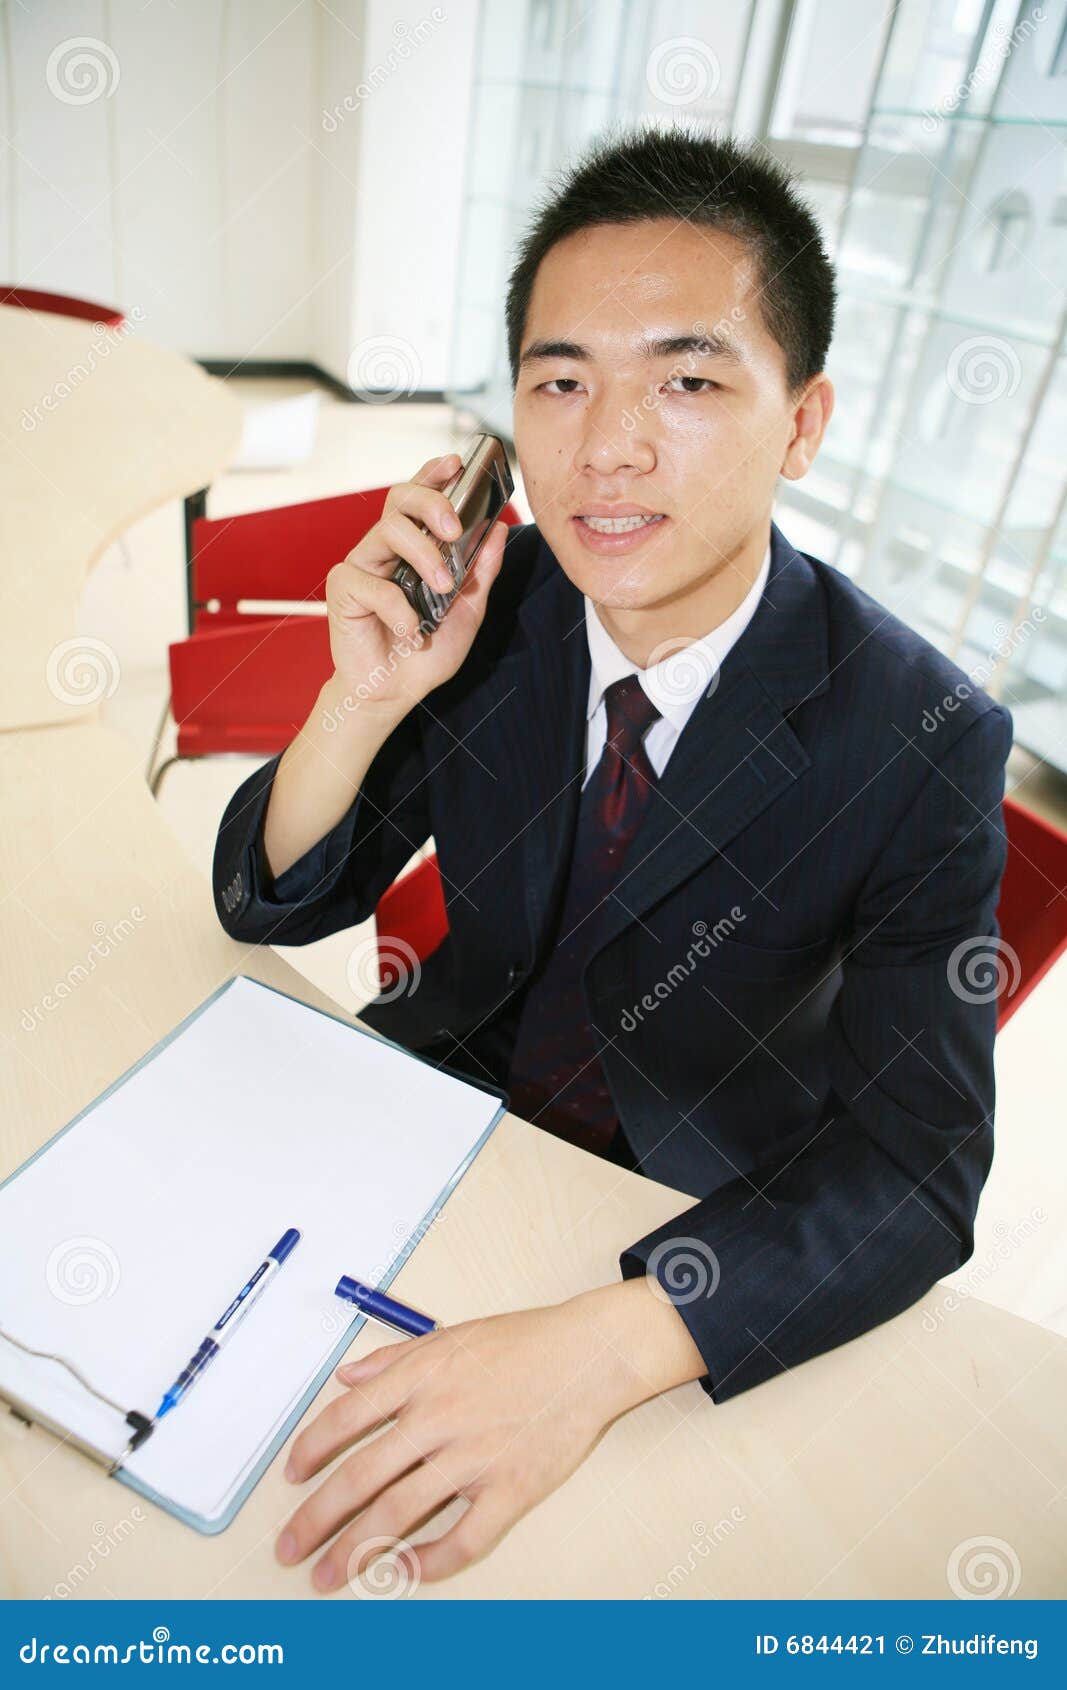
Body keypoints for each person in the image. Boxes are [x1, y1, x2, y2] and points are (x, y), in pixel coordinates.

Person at [212, 125, 1012, 1592]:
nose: (609, 445)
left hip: (675, 1214)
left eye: (690, 379)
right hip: (421, 1128)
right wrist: (365, 697)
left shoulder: (920, 737)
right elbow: (281, 894)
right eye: (561, 380)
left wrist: (602, 1348)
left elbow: (919, 1163)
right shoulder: (503, 605)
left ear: (805, 420)